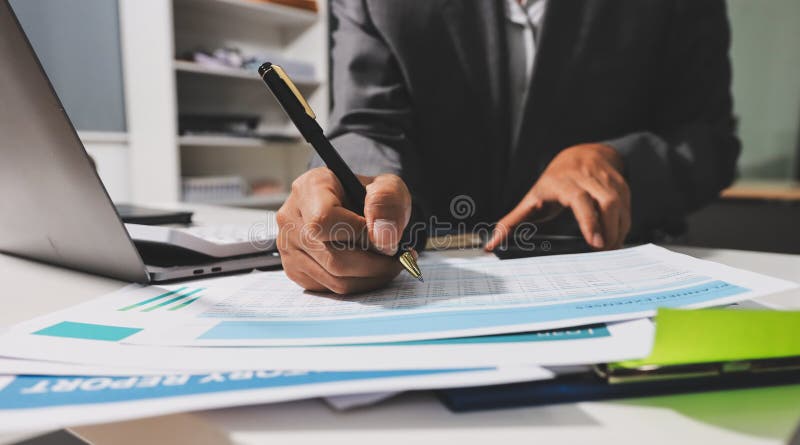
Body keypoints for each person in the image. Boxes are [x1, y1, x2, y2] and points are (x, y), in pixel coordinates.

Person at [276, 0, 741, 294]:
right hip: (434, 269)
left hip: (618, 273)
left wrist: (618, 160)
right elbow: (366, 124)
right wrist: (356, 191)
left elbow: (709, 141)